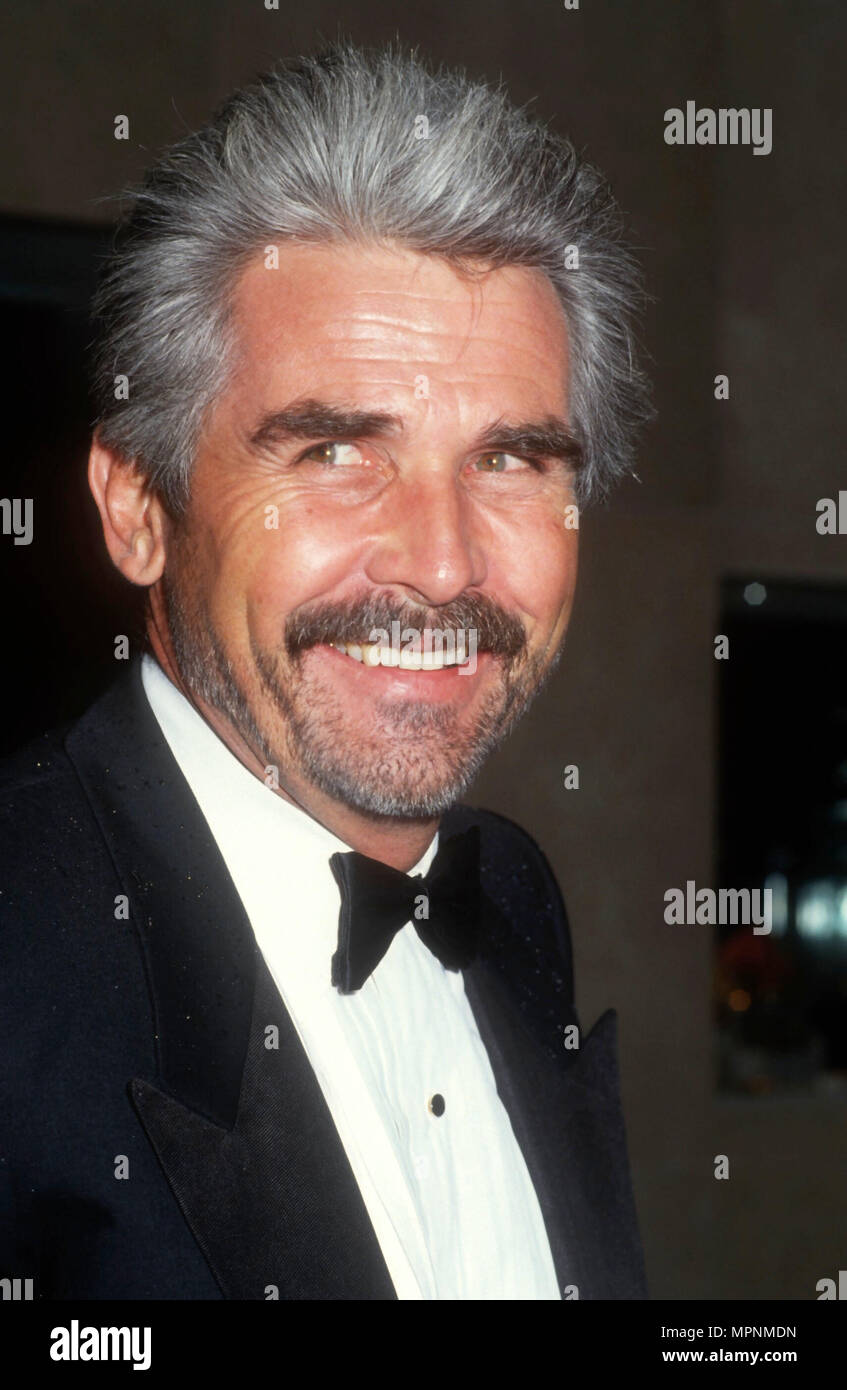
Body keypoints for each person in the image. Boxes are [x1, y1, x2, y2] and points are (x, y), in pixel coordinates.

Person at [0, 40, 652, 1300]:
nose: (444, 561)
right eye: (336, 453)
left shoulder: (511, 898)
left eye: (512, 459)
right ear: (137, 506)